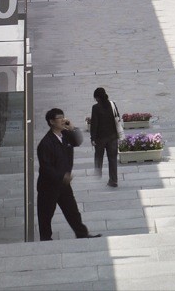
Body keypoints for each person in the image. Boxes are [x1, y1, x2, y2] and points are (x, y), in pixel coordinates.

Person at [36, 108, 99, 240]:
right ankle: (45, 239)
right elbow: (46, 167)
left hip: (63, 185)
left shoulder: (65, 135)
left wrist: (73, 128)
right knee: (46, 215)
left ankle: (82, 234)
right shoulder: (46, 143)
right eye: (59, 118)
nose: (63, 120)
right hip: (48, 186)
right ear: (51, 122)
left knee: (72, 211)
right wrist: (62, 176)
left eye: (63, 116)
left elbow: (78, 141)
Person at [89, 87, 121, 187]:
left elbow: (94, 124)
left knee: (99, 155)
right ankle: (113, 180)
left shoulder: (96, 107)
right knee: (113, 159)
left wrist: (92, 138)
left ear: (97, 98)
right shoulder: (112, 104)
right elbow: (118, 117)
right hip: (113, 137)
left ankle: (98, 173)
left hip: (100, 138)